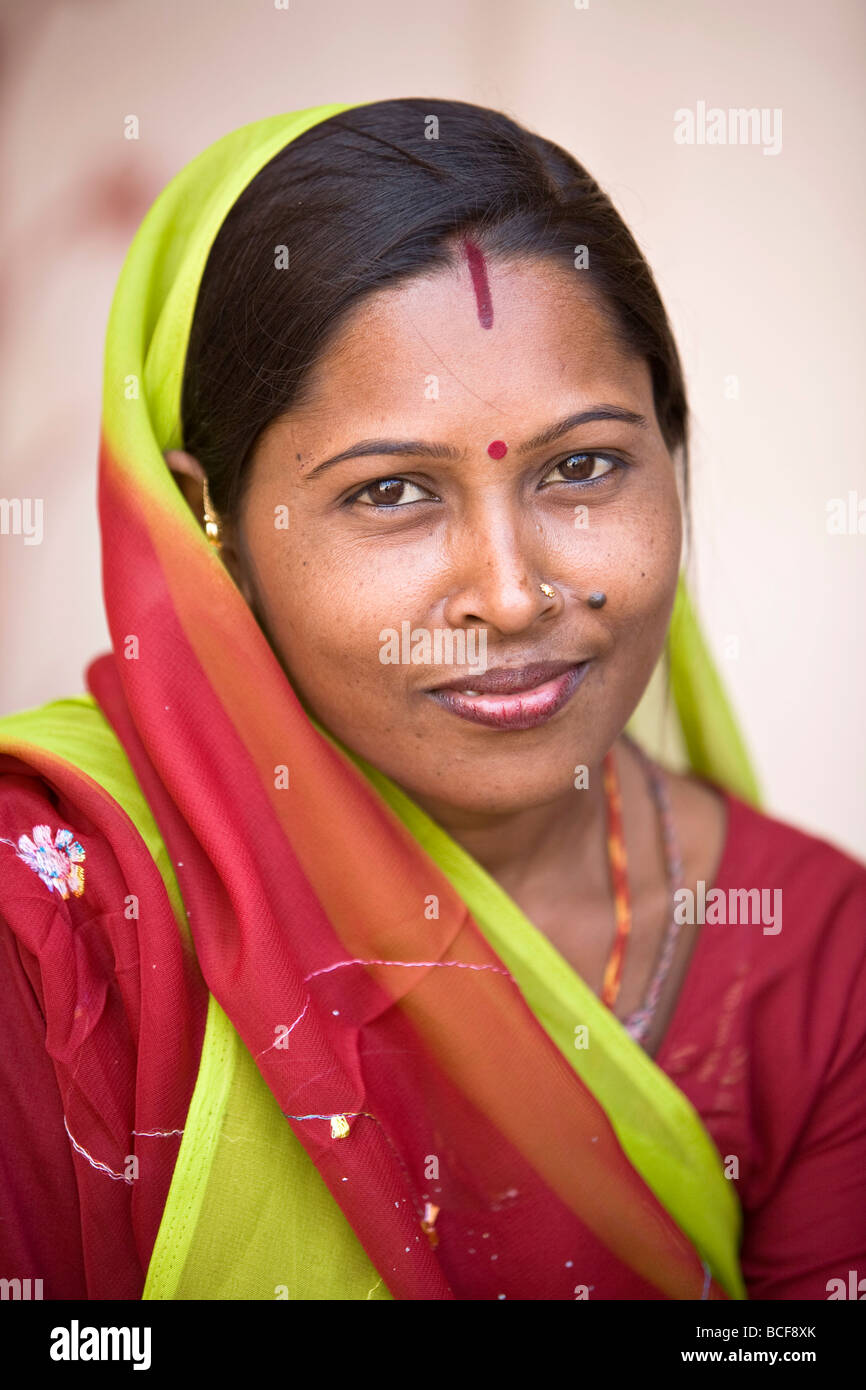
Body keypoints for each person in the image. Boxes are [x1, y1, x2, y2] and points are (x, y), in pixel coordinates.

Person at [0, 98, 863, 1302]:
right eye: (392, 490)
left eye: (581, 467)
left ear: (673, 453)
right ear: (214, 527)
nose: (511, 595)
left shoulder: (816, 958)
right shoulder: (55, 917)